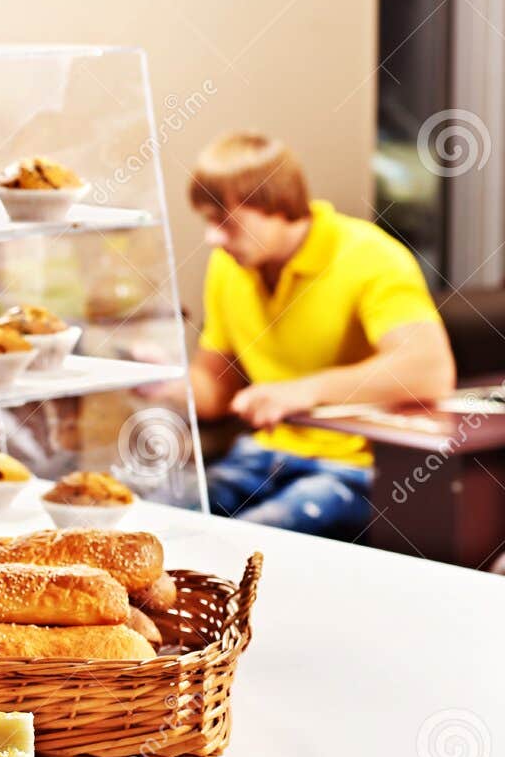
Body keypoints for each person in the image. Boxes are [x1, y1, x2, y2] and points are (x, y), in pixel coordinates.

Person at [171, 131, 455, 538]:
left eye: (225, 221)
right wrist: (163, 379)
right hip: (263, 454)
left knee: (246, 542)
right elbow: (214, 392)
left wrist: (302, 390)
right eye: (208, 221)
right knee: (159, 517)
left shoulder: (371, 256)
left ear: (275, 206)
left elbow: (428, 369)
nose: (213, 238)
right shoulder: (227, 266)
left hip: (354, 467)